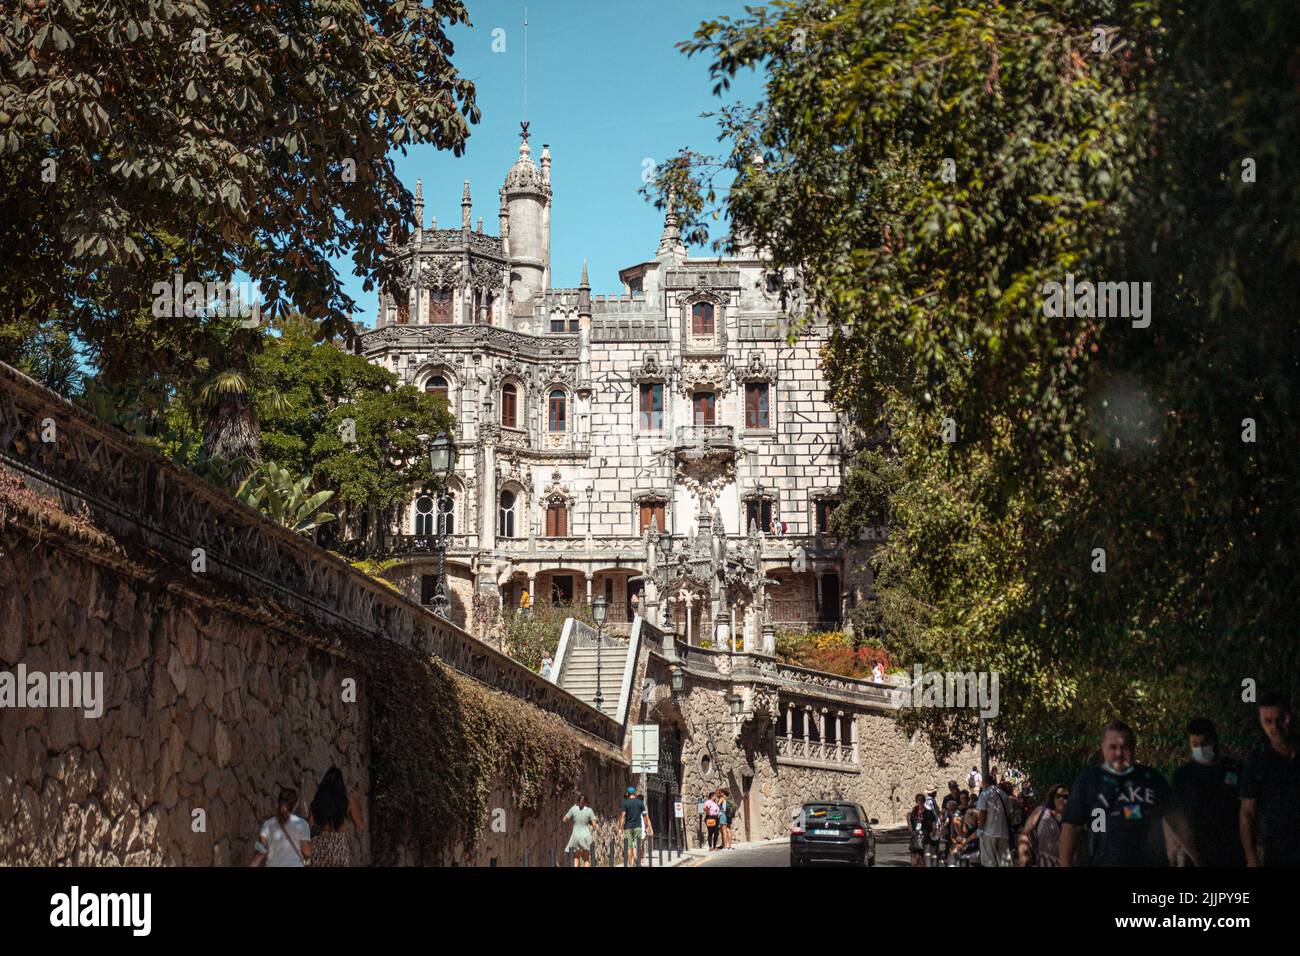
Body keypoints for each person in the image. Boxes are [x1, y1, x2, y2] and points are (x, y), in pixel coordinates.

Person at [1060, 719, 1194, 866]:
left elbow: (1176, 821)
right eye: (1113, 747)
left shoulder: (1152, 779)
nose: (1119, 753)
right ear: (1103, 748)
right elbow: (1070, 827)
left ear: (1134, 748)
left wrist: (1197, 859)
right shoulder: (1088, 781)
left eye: (1124, 747)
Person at [1171, 718, 1245, 866]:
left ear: (1214, 741)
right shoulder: (1183, 776)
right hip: (1196, 854)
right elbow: (1174, 818)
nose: (1200, 748)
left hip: (1231, 851)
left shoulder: (1234, 769)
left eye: (1204, 744)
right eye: (1195, 745)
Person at [1240, 693, 1300, 866]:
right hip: (1279, 850)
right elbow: (1247, 812)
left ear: (1289, 717)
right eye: (1267, 721)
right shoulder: (1257, 761)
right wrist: (1251, 858)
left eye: (1280, 719)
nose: (1275, 727)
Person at [307, 767, 365, 867]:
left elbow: (308, 828)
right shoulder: (348, 802)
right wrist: (357, 801)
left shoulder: (316, 803)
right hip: (339, 849)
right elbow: (361, 825)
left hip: (320, 847)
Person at [249, 788, 312, 867]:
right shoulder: (301, 824)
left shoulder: (268, 824)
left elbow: (260, 851)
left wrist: (252, 865)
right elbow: (307, 851)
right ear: (295, 804)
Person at [1017, 783, 1067, 867]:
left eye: (1065, 797)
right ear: (1052, 797)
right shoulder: (1041, 812)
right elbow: (1025, 834)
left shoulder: (1071, 818)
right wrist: (1023, 858)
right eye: (1058, 796)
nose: (1061, 799)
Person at [976, 774, 1012, 867]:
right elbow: (1010, 814)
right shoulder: (1004, 794)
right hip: (1003, 832)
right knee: (1005, 862)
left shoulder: (984, 794)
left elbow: (983, 813)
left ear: (985, 782)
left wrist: (980, 828)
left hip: (989, 832)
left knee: (990, 862)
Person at [619, 785, 651, 866]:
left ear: (628, 793)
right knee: (638, 845)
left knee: (629, 846)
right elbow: (644, 815)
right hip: (638, 827)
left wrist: (620, 827)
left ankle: (631, 864)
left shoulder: (625, 803)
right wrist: (646, 827)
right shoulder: (640, 802)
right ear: (634, 793)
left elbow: (623, 816)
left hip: (628, 827)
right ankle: (637, 859)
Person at [564, 795, 597, 867]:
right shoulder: (589, 810)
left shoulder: (573, 809)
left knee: (576, 857)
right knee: (586, 859)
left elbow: (564, 820)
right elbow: (594, 825)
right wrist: (590, 822)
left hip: (575, 835)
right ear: (586, 802)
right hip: (585, 835)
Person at [907, 793, 935, 867]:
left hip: (925, 838)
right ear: (916, 801)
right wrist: (908, 819)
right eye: (919, 800)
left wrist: (933, 831)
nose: (920, 801)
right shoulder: (913, 814)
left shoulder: (929, 813)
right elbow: (910, 829)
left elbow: (933, 824)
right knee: (914, 861)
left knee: (923, 860)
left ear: (924, 801)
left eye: (922, 800)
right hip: (915, 839)